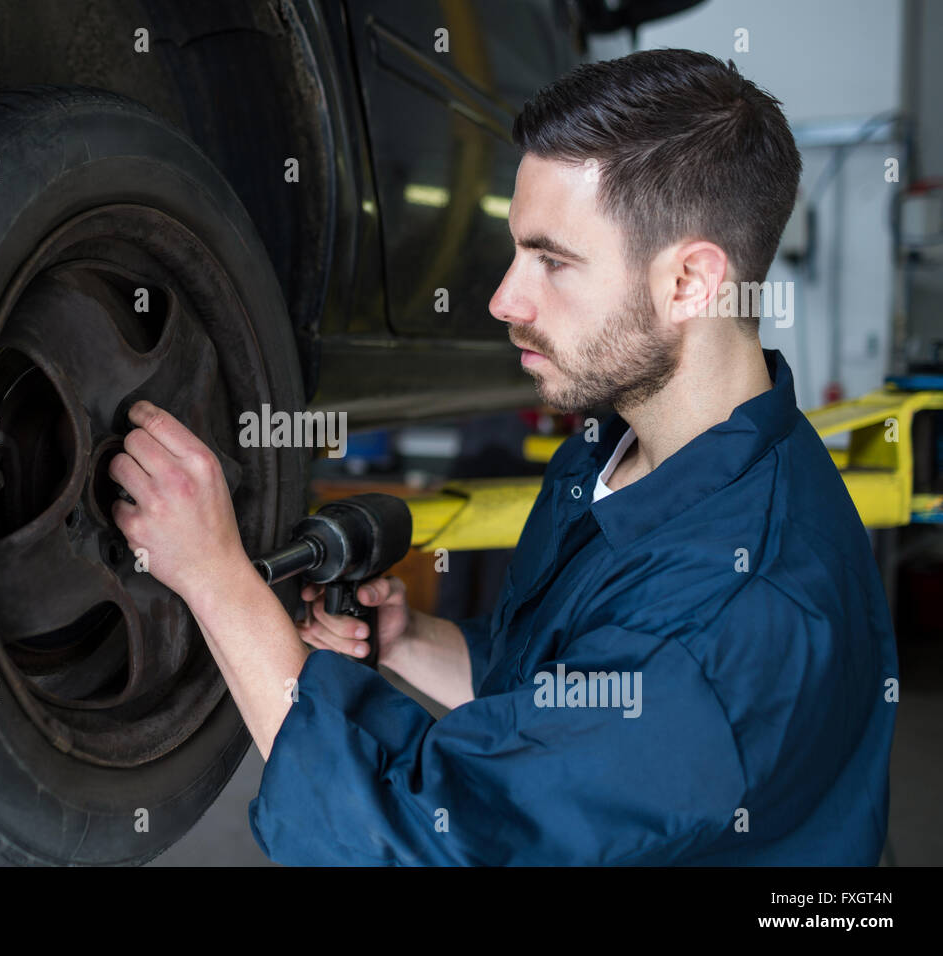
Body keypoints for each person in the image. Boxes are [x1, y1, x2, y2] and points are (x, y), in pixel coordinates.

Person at [109, 49, 898, 865]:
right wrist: (408, 640)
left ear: (692, 282)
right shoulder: (629, 447)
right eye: (517, 249)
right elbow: (567, 687)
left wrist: (214, 577)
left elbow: (417, 837)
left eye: (553, 261)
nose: (503, 300)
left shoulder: (720, 622)